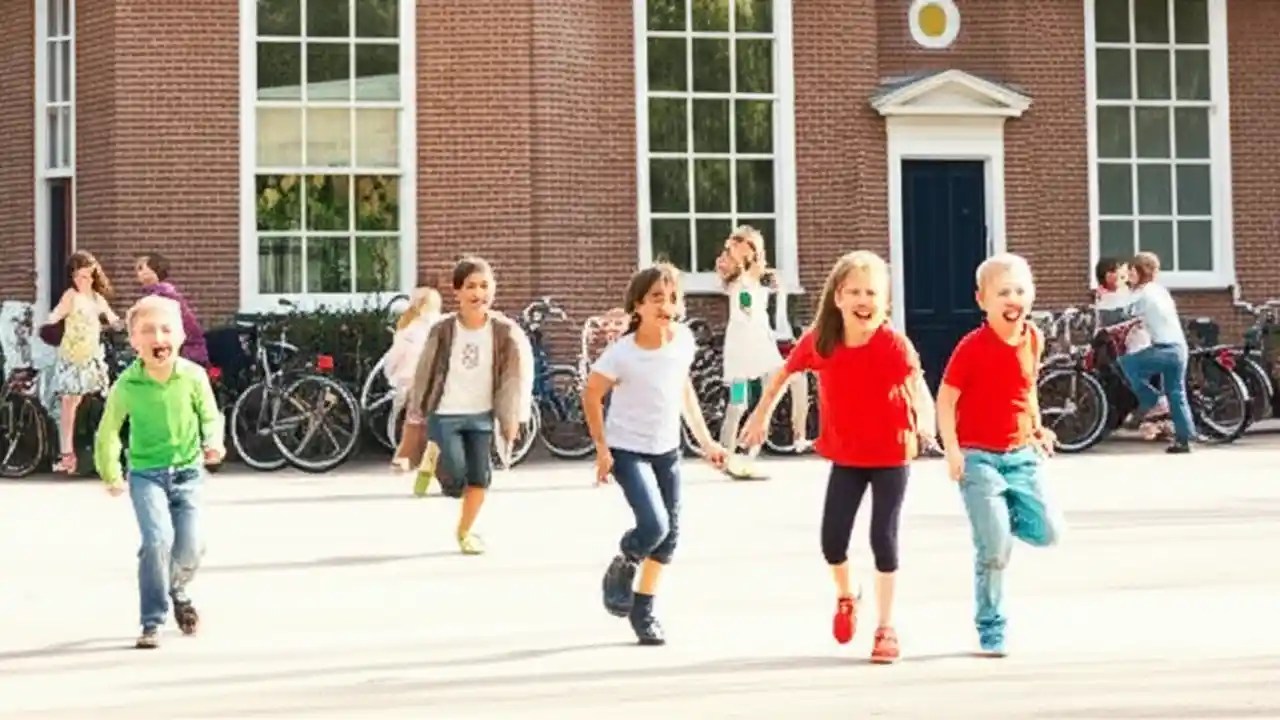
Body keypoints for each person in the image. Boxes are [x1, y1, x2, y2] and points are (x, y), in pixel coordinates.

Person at [740, 251, 930, 664]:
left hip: (892, 453)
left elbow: (918, 385)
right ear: (838, 298)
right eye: (855, 291)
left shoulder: (892, 344)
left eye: (872, 293)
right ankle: (848, 595)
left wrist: (928, 425)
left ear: (884, 301)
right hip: (847, 454)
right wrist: (760, 414)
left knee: (884, 537)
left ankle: (885, 626)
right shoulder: (821, 341)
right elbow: (784, 374)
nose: (864, 300)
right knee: (832, 542)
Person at [585, 263, 728, 646]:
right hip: (627, 451)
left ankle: (643, 611)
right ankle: (623, 563)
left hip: (667, 451)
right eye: (656, 298)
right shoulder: (622, 354)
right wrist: (602, 449)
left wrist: (706, 441)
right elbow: (592, 394)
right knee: (654, 525)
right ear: (638, 306)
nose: (666, 305)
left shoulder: (682, 340)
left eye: (672, 297)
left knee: (669, 539)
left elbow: (684, 393)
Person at [935, 252, 1064, 657]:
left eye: (1020, 291)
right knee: (994, 552)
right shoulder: (972, 348)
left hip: (1022, 452)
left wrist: (1038, 426)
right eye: (1003, 292)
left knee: (1049, 532)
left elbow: (1027, 388)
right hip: (978, 458)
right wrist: (952, 451)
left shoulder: (1034, 338)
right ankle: (992, 627)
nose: (1013, 299)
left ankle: (998, 527)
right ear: (982, 300)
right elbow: (945, 399)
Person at [93, 295, 225, 649]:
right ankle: (152, 619)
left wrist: (214, 442)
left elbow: (210, 415)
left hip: (188, 472)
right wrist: (111, 473)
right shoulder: (127, 385)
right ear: (134, 341)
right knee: (156, 542)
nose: (158, 337)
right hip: (146, 475)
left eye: (166, 329)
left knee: (192, 548)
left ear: (180, 336)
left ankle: (176, 587)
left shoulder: (193, 377)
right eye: (147, 331)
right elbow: (108, 431)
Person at [407, 257, 533, 555]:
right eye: (471, 286)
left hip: (482, 415)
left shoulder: (505, 331)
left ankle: (465, 532)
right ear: (457, 292)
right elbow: (424, 369)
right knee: (456, 481)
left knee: (481, 477)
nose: (479, 293)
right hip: (445, 413)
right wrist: (416, 407)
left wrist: (513, 416)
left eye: (485, 286)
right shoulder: (443, 329)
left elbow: (517, 376)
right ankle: (432, 459)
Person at [715, 225, 809, 477]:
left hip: (759, 346)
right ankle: (726, 454)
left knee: (776, 388)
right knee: (740, 400)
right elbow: (746, 311)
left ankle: (793, 435)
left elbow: (766, 311)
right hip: (745, 347)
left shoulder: (759, 280)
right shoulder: (740, 282)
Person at [47, 250, 120, 474]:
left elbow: (113, 318)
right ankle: (67, 454)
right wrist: (47, 324)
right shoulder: (71, 296)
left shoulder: (97, 299)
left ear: (93, 276)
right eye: (77, 276)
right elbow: (55, 315)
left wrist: (124, 324)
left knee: (101, 399)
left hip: (91, 357)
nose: (82, 281)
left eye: (86, 276)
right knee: (69, 402)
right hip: (72, 356)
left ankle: (105, 446)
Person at [1116, 252, 1195, 453]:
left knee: (1127, 363)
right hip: (1179, 349)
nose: (1129, 274)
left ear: (1139, 271)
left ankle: (1152, 400)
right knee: (1177, 394)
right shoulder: (1160, 290)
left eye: (1132, 271)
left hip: (1164, 349)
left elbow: (1124, 313)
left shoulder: (1142, 293)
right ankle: (1184, 440)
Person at [382, 286, 443, 489]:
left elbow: (394, 359)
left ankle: (406, 459)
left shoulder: (408, 329)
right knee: (433, 430)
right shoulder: (443, 326)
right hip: (440, 385)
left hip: (413, 384)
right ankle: (432, 466)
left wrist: (392, 377)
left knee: (413, 425)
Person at [136, 252, 209, 366]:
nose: (138, 273)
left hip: (183, 351)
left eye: (141, 268)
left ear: (151, 271)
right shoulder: (162, 292)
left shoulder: (161, 295)